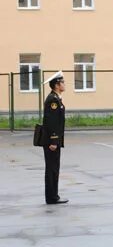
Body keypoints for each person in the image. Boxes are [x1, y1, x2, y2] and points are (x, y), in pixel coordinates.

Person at [42, 71, 68, 204]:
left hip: (55, 140)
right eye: (62, 82)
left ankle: (53, 196)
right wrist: (53, 140)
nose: (64, 84)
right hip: (52, 141)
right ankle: (52, 197)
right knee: (52, 169)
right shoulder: (53, 100)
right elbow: (51, 122)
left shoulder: (56, 98)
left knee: (54, 168)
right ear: (57, 85)